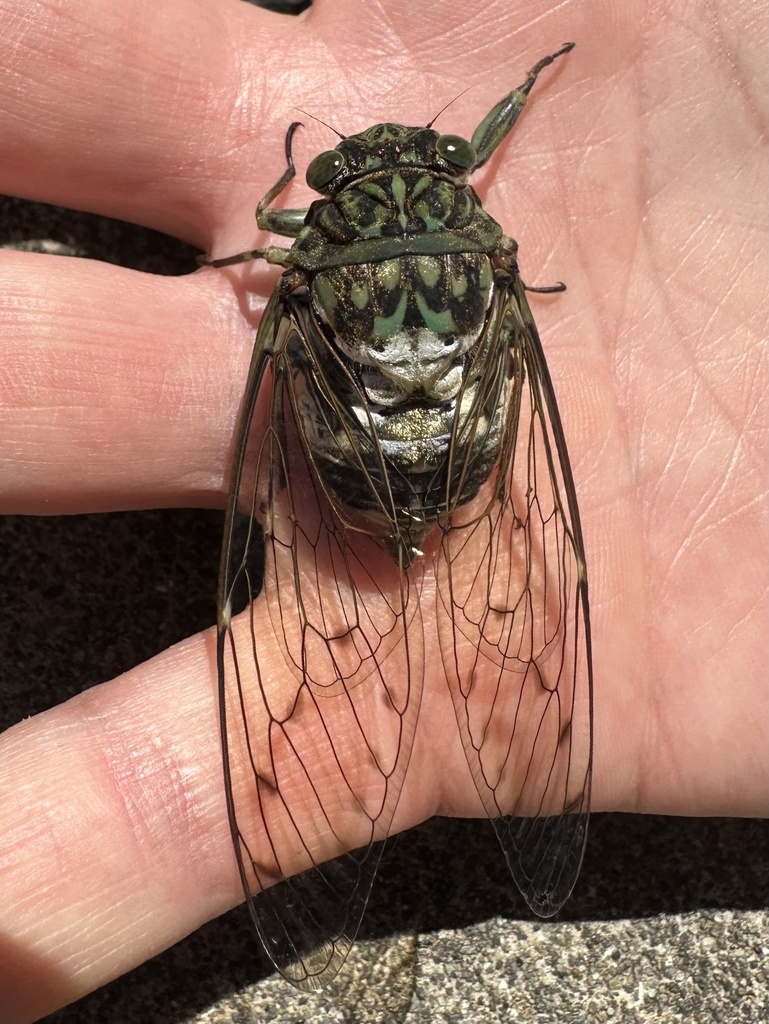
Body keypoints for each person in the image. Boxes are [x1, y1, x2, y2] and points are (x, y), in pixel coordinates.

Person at [0, 1, 765, 1021]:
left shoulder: (301, 250)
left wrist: (278, 213)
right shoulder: (483, 251)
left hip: (350, 472)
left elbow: (273, 228)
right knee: (539, 503)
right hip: (466, 457)